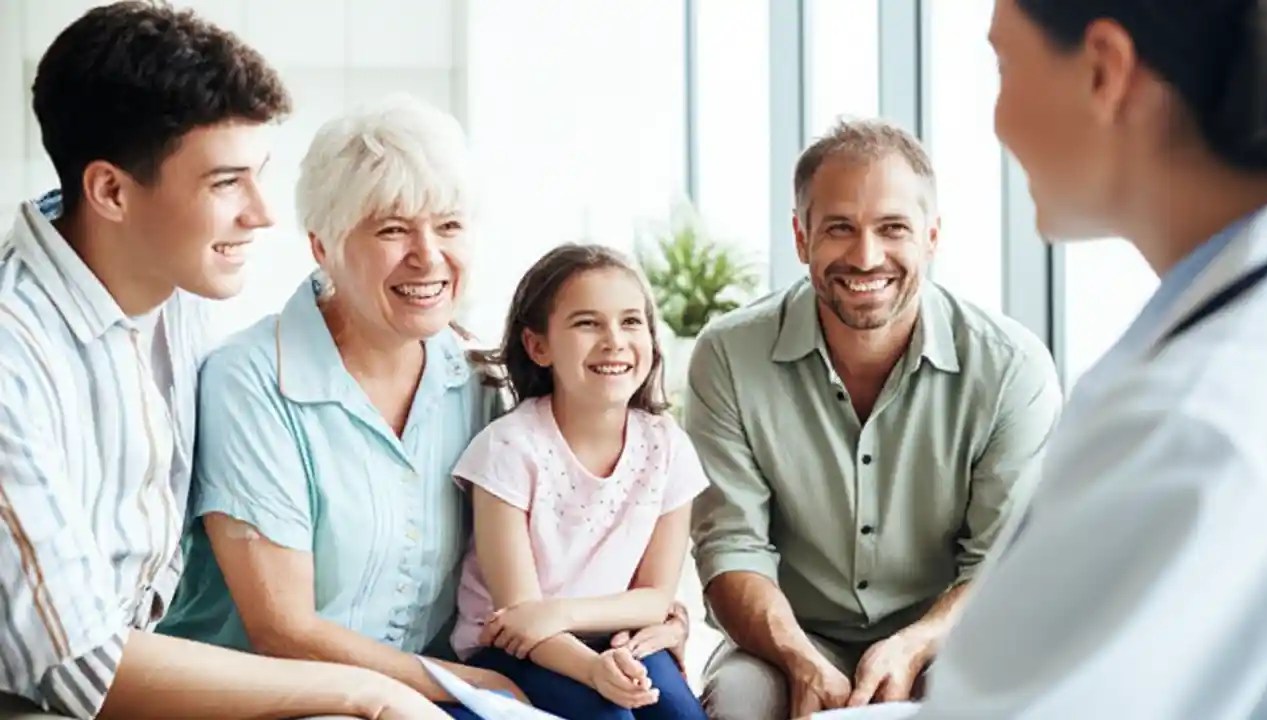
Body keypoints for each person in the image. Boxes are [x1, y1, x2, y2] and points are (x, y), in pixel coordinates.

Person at [816, 1, 1267, 718]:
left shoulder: (1197, 415)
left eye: (1004, 65)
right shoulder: (1223, 345)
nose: (997, 119)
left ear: (1103, 70)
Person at [0, 4, 438, 719]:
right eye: (225, 182)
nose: (262, 213)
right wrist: (367, 691)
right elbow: (84, 671)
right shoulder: (14, 358)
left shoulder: (174, 284)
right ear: (110, 190)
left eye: (258, 174)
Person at [153, 94, 521, 719]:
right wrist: (466, 686)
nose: (428, 255)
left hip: (420, 697)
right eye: (392, 228)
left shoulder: (484, 382)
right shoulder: (250, 381)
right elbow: (283, 631)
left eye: (450, 225)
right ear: (321, 246)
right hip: (271, 701)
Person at [686, 118, 1062, 720]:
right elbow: (733, 547)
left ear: (931, 237)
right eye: (839, 228)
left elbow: (1000, 561)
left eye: (893, 229)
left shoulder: (1012, 369)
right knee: (738, 702)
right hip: (785, 641)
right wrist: (798, 657)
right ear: (801, 236)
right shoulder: (728, 356)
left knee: (989, 699)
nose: (866, 257)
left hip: (948, 637)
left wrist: (915, 645)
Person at [454, 243, 709, 720]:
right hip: (514, 648)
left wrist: (569, 617)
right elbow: (521, 616)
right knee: (608, 715)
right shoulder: (508, 449)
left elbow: (654, 597)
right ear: (538, 346)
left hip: (607, 630)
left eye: (631, 321)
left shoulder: (667, 447)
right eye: (587, 323)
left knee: (681, 715)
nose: (614, 340)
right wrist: (593, 668)